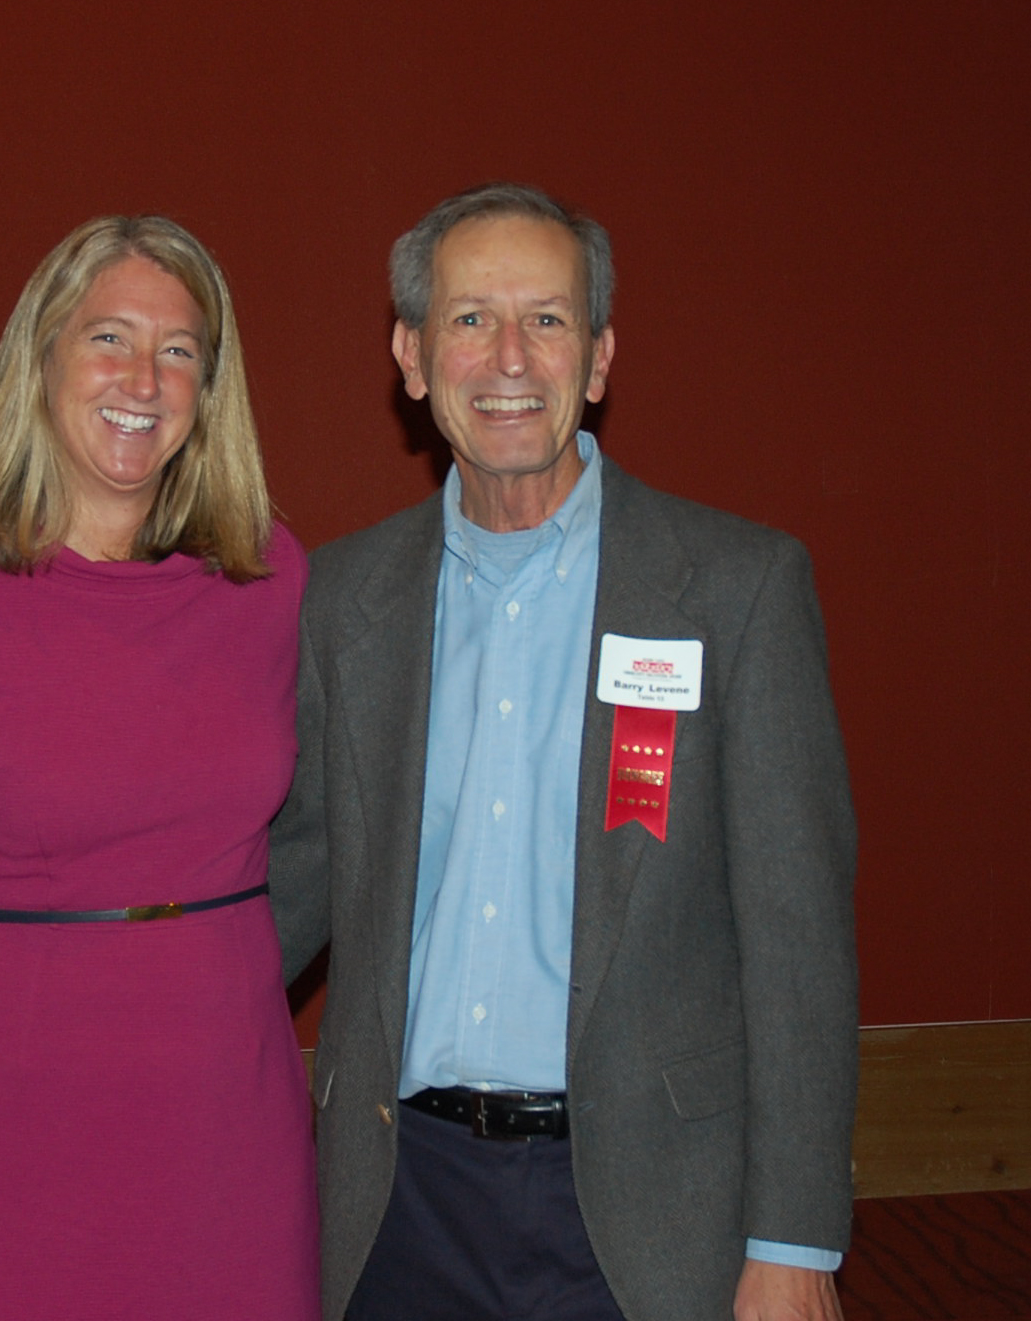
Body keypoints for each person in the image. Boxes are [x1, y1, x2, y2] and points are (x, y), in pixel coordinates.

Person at [269, 183, 857, 1321]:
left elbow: (798, 941)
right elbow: (284, 888)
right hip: (399, 1203)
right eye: (468, 318)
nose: (507, 358)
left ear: (595, 359)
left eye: (546, 320)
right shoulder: (340, 603)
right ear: (409, 353)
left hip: (651, 1211)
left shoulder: (733, 592)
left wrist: (792, 1241)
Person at [0, 215, 319, 1321]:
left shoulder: (268, 582)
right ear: (41, 357)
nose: (142, 377)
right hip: (6, 1138)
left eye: (180, 350)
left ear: (209, 387)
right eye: (108, 337)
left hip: (229, 1141)